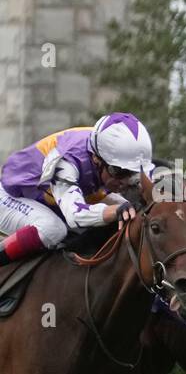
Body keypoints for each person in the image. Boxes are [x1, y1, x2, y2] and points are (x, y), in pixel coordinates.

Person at [0, 113, 152, 267]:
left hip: (51, 198)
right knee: (52, 229)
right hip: (11, 196)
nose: (125, 181)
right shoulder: (66, 162)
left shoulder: (120, 152)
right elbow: (75, 216)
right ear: (96, 159)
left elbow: (164, 192)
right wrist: (116, 210)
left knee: (131, 211)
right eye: (118, 172)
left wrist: (170, 193)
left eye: (132, 172)